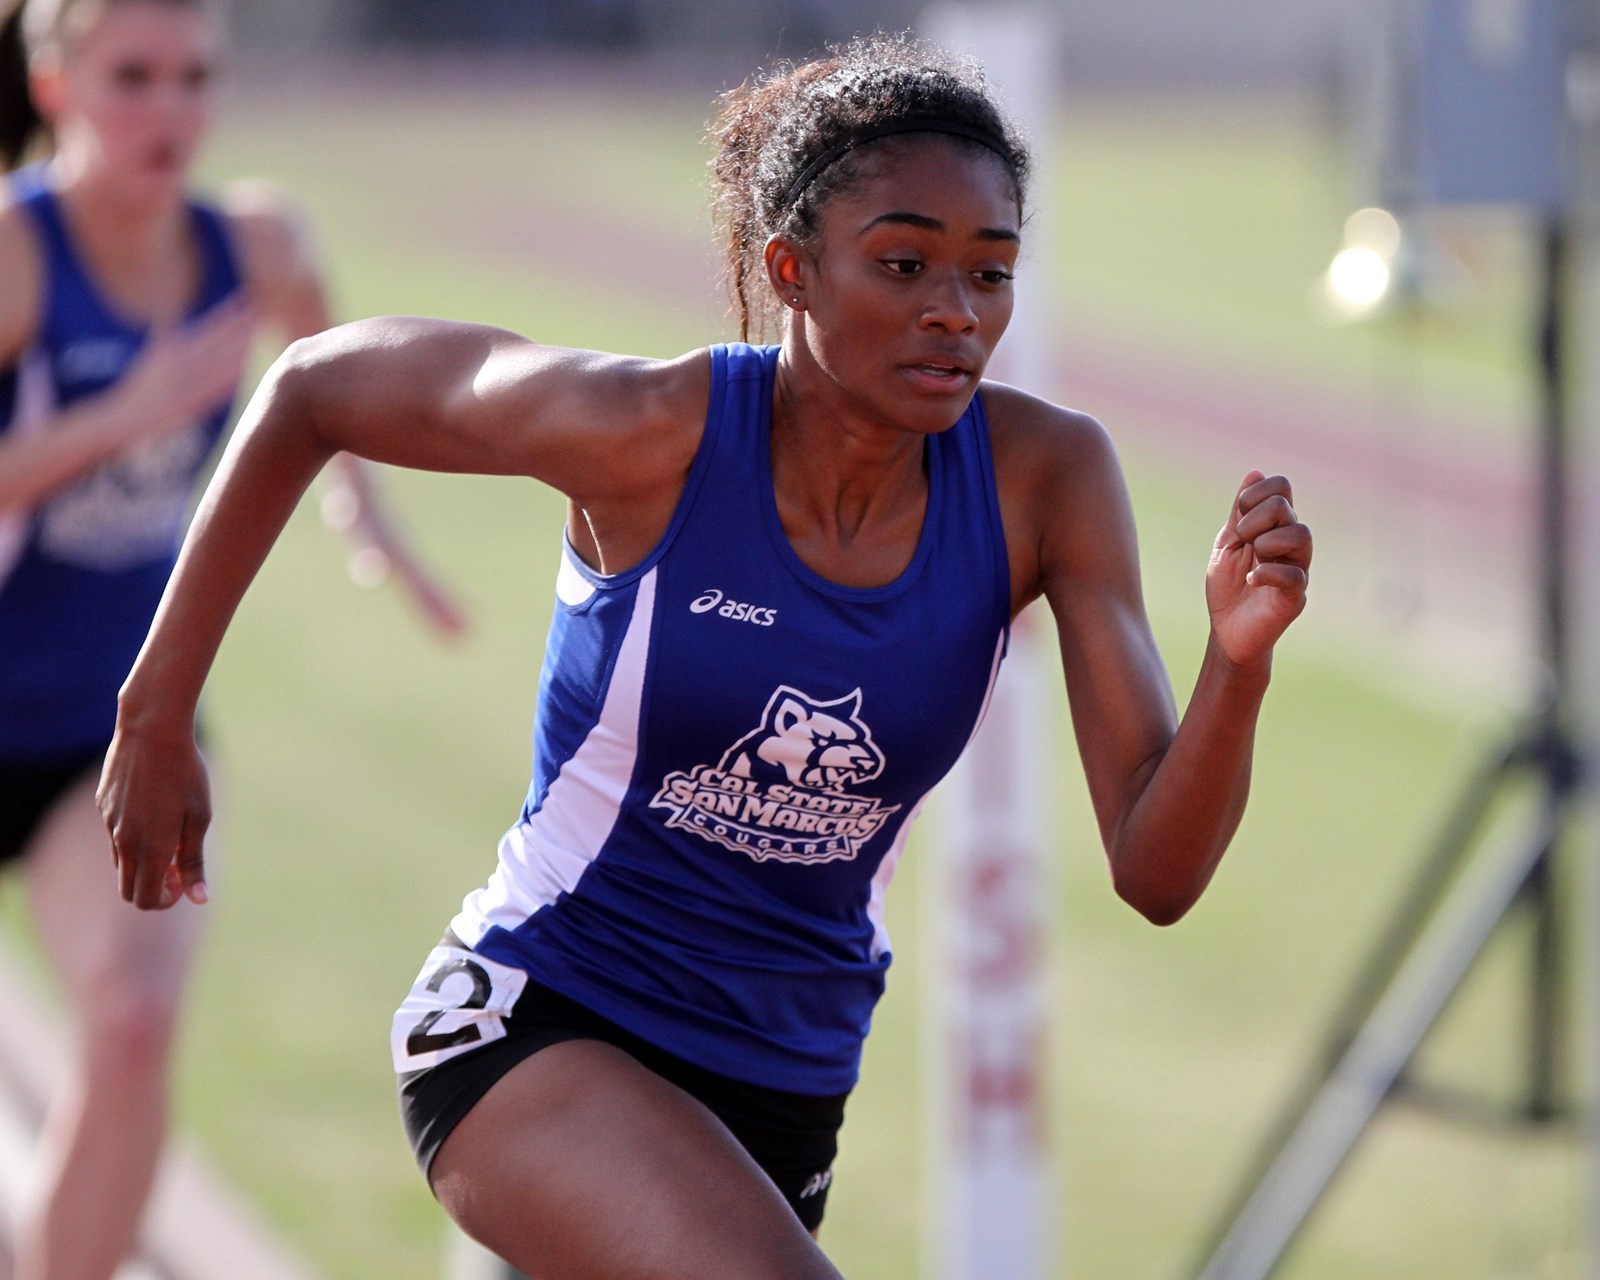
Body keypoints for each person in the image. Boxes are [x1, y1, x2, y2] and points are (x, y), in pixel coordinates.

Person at [98, 33, 1313, 1280]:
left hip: (782, 1087)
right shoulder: (649, 434)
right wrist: (155, 709)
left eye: (990, 273)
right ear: (791, 267)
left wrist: (1238, 663)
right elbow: (311, 387)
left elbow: (1156, 870)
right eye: (904, 265)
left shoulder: (1044, 478)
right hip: (543, 1014)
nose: (955, 312)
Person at [0, 1, 464, 1277]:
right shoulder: (17, 253)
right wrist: (125, 413)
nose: (169, 109)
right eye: (131, 77)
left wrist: (367, 515)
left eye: (194, 77)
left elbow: (330, 400)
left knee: (137, 1019)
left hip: (107, 730)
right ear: (54, 84)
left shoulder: (255, 246)